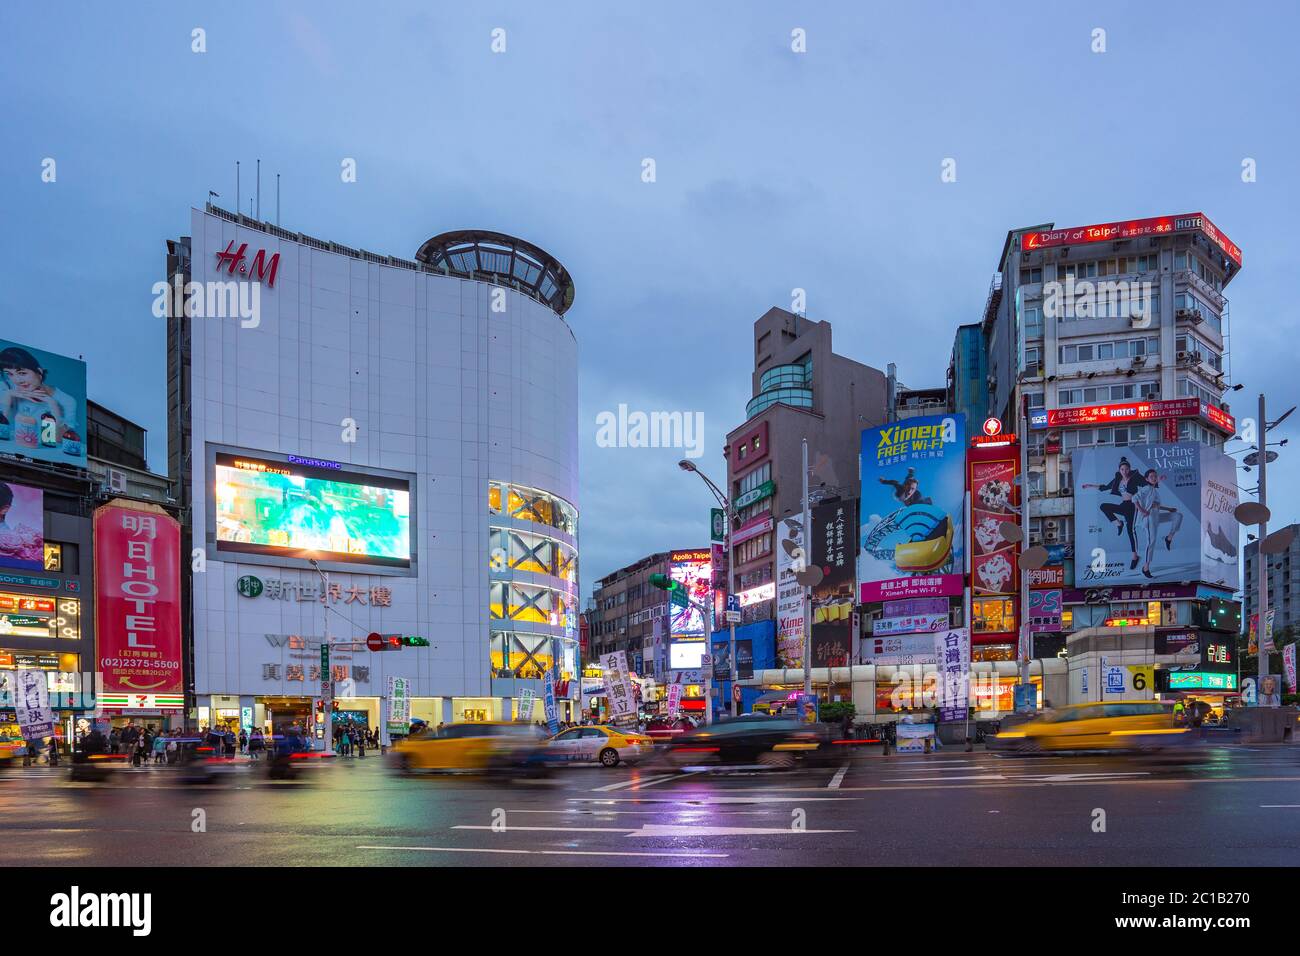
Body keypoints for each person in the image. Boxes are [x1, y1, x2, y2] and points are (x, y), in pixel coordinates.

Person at [1081, 457, 1150, 571]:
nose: (1124, 471)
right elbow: (1104, 487)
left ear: (1129, 469)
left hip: (1133, 506)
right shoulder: (1117, 480)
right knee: (1104, 506)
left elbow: (1147, 483)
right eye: (1122, 469)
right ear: (1119, 470)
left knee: (1131, 530)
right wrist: (1090, 486)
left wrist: (1158, 480)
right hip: (1124, 504)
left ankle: (1135, 556)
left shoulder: (1135, 477)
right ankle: (1118, 523)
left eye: (1126, 469)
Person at [1131, 468, 1182, 579]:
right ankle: (1146, 567)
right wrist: (1142, 510)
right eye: (1152, 477)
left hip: (1156, 516)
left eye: (1155, 476)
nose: (1154, 478)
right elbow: (1134, 498)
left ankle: (1168, 538)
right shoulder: (1146, 488)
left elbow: (1155, 506)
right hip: (1149, 519)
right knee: (1151, 541)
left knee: (1177, 516)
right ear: (1146, 479)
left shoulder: (1154, 491)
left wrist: (1168, 509)